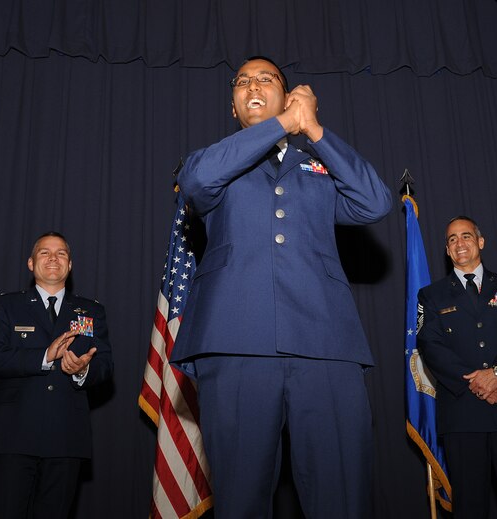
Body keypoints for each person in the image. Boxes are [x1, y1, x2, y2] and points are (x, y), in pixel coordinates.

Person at [170, 56, 392, 518]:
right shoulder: (215, 162)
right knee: (240, 498)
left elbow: (374, 203)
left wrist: (313, 130)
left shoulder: (317, 164)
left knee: (342, 494)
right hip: (235, 340)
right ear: (233, 106)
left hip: (325, 342)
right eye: (242, 82)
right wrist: (283, 123)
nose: (252, 85)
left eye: (265, 78)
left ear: (289, 96)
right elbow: (195, 182)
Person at [0, 232, 113, 519]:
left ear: (70, 265)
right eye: (44, 252)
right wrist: (45, 356)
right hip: (13, 436)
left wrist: (83, 370)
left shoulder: (91, 310)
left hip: (66, 437)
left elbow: (105, 365)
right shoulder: (7, 305)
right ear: (30, 263)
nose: (53, 258)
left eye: (61, 253)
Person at [416, 216, 497, 519]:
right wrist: (476, 382)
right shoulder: (431, 295)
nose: (459, 243)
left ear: (480, 242)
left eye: (466, 236)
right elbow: (430, 345)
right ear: (447, 250)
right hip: (463, 415)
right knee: (469, 506)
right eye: (452, 239)